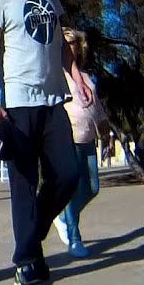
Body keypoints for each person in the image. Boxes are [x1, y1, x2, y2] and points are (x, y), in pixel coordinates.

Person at [0, 0, 92, 285]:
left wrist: (76, 76)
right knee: (24, 184)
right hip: (19, 105)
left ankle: (33, 236)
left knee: (69, 174)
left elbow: (60, 44)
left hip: (54, 100)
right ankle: (27, 262)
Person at [52, 27, 111, 257]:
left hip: (89, 138)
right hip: (69, 138)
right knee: (72, 189)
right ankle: (74, 239)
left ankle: (62, 216)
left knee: (92, 187)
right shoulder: (56, 75)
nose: (70, 47)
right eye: (65, 43)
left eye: (74, 42)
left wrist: (106, 135)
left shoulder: (85, 76)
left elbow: (97, 108)